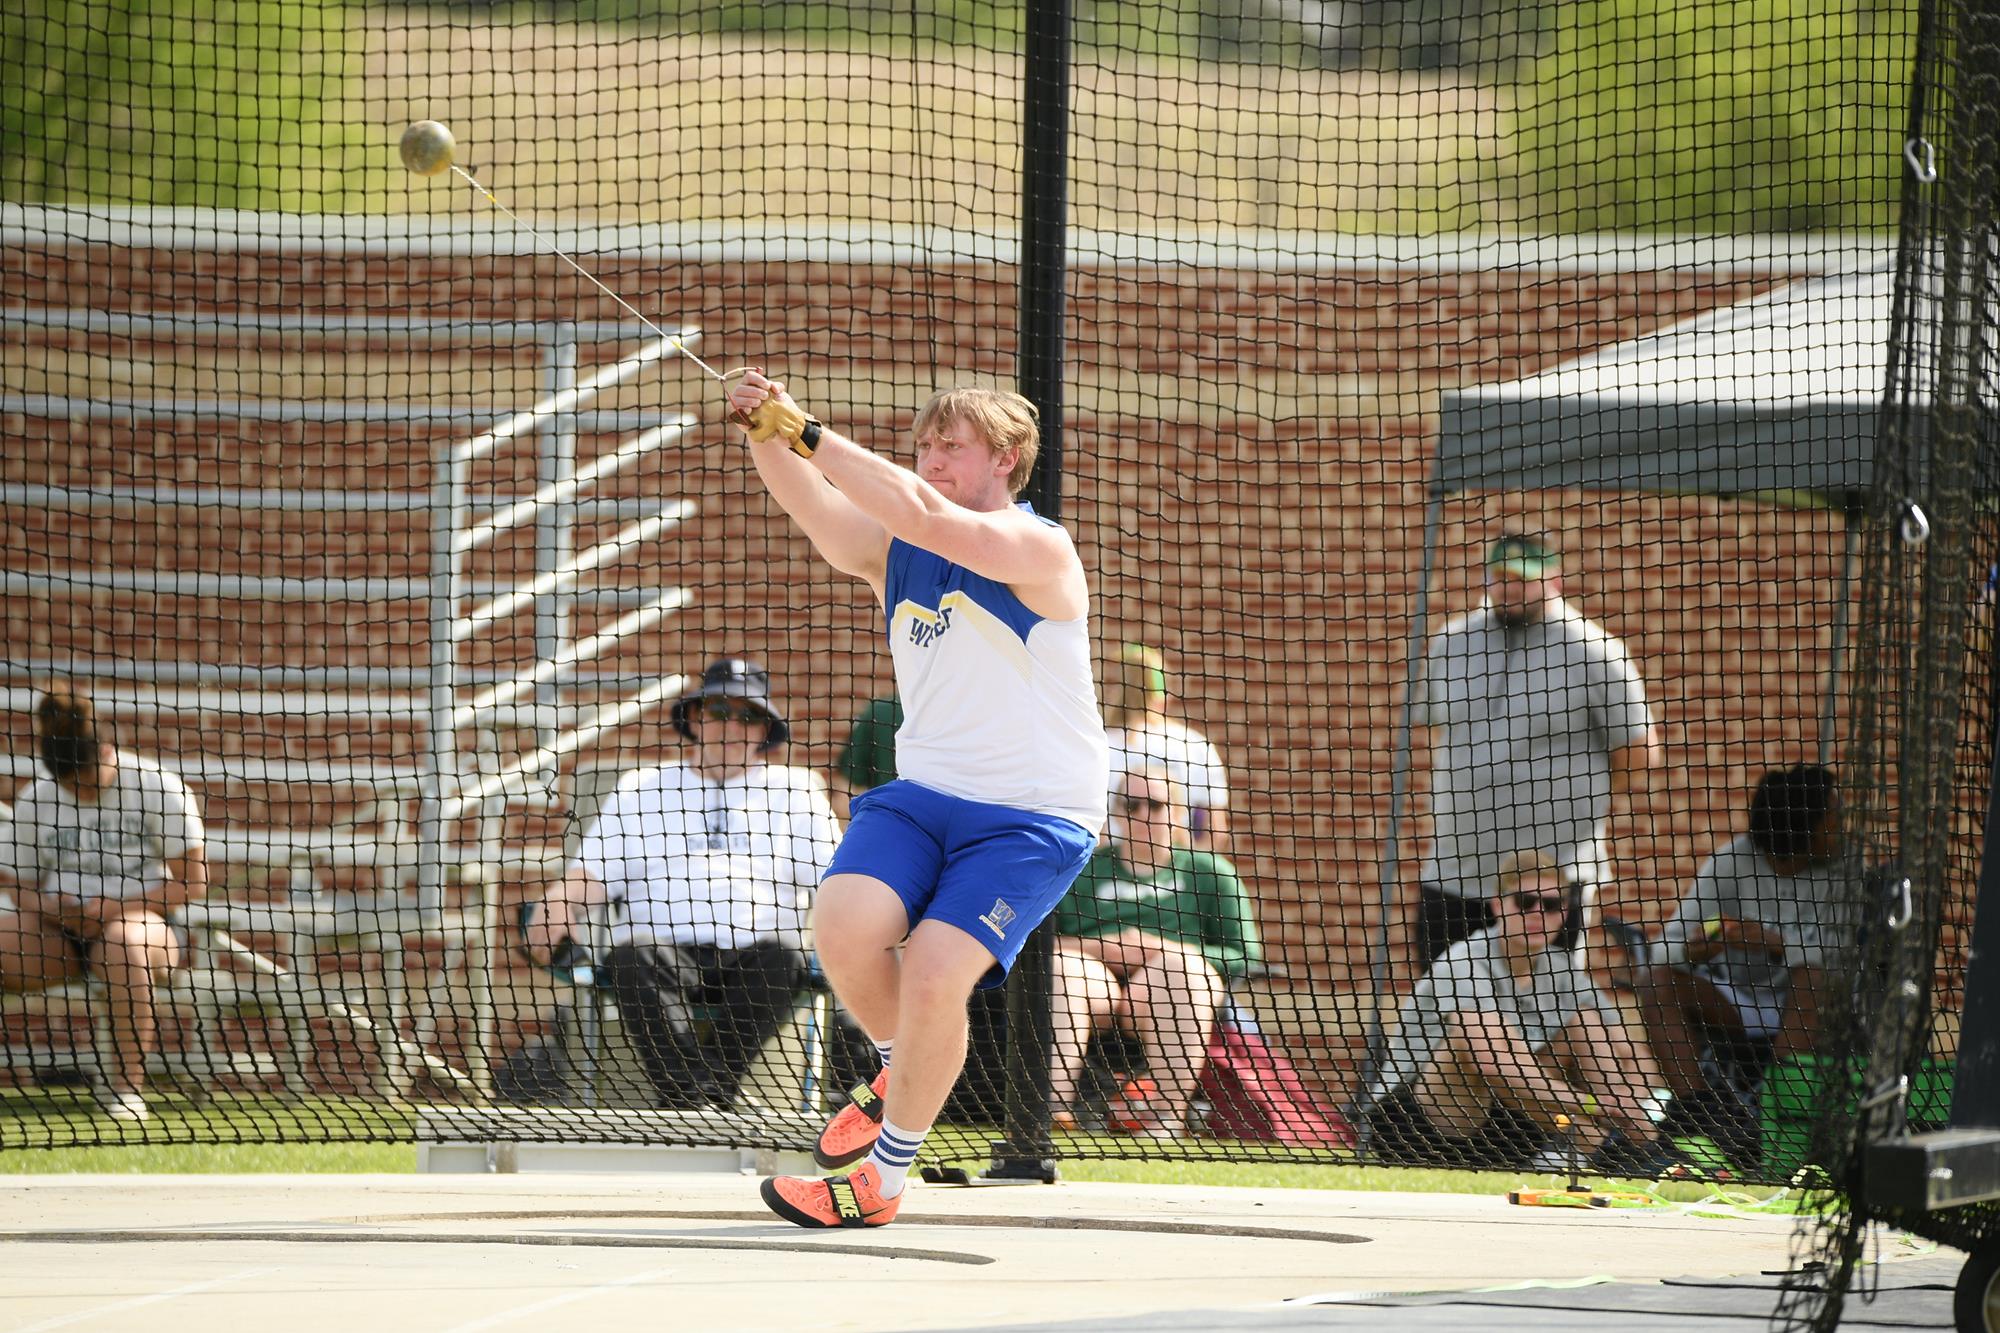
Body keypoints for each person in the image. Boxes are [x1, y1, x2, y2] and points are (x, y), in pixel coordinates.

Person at [727, 371, 1107, 1228]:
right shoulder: (896, 544)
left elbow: (924, 514)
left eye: (952, 445)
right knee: (844, 925)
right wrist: (764, 432)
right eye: (925, 443)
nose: (932, 457)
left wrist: (808, 430)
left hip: (1035, 813)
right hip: (927, 789)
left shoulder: (1040, 549)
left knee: (937, 972)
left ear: (1006, 458)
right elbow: (822, 514)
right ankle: (904, 1064)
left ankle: (882, 1179)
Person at [524, 658, 840, 1110]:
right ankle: (703, 1093)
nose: (733, 725)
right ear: (695, 718)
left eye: (748, 714)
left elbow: (835, 882)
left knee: (784, 956)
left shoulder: (797, 790)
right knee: (629, 957)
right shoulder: (642, 787)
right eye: (719, 711)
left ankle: (693, 1092)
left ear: (764, 728)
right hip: (664, 955)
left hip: (756, 959)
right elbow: (589, 875)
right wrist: (558, 900)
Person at [1411, 531, 1662, 965]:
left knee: (1546, 1011)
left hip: (1546, 887)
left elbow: (1639, 753)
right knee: (1443, 1002)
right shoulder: (1450, 643)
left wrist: (1575, 799)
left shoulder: (1594, 651)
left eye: (1523, 578)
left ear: (1554, 579)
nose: (1509, 588)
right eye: (1500, 577)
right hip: (1455, 869)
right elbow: (1435, 723)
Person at [1360, 850, 1678, 1172]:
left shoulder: (1561, 967)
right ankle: (1593, 1141)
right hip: (1417, 1124)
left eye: (1551, 905)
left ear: (1565, 913)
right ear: (1498, 905)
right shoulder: (1464, 962)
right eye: (1525, 903)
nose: (1538, 913)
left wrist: (1636, 1102)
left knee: (1586, 1022)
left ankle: (1642, 1147)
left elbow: (1627, 1048)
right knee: (1474, 1042)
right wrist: (1595, 1104)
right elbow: (1496, 1063)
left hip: (1509, 1127)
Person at [0, 685, 209, 1122]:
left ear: (106, 752)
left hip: (145, 924)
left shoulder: (157, 786)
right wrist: (50, 908)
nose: (83, 792)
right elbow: (16, 886)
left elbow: (192, 884)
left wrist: (113, 908)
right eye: (71, 785)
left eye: (88, 780)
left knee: (123, 947)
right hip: (59, 933)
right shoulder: (36, 799)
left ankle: (127, 1090)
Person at [1049, 761, 1260, 1137]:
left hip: (1171, 992)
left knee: (1178, 968)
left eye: (1156, 805)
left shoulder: (1211, 874)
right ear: (1116, 814)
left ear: (1178, 813)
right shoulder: (1084, 870)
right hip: (1097, 986)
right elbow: (1040, 945)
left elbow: (1245, 957)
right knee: (1063, 966)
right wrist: (1103, 948)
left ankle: (1165, 1119)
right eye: (1131, 806)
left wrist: (1160, 951)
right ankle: (1053, 1111)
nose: (1144, 814)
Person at [1629, 764, 1855, 1103]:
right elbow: (1664, 945)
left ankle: (1776, 1104)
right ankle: (1697, 1110)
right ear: (1804, 828)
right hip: (1740, 1002)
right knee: (1654, 982)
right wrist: (1692, 952)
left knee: (1815, 979)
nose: (1843, 824)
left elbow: (1845, 960)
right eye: (1833, 815)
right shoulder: (1731, 862)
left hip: (1810, 1007)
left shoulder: (1846, 869)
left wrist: (1774, 944)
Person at [1103, 643, 1231, 851]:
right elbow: (1216, 833)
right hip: (1177, 869)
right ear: (1163, 694)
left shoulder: (1100, 745)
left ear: (1117, 690)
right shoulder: (1195, 744)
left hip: (1111, 874)